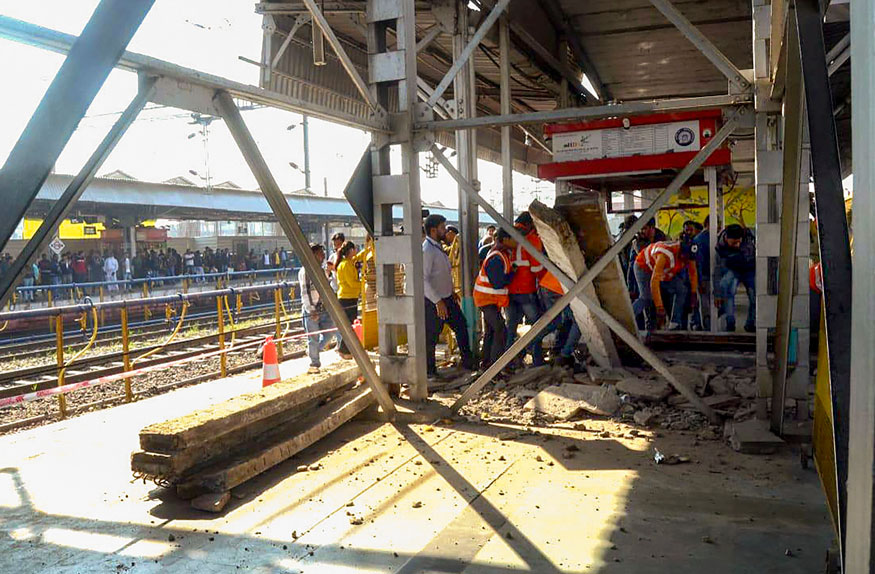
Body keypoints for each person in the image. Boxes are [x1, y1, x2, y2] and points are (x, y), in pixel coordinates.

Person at [423, 214, 474, 379]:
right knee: (431, 336)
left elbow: (442, 274)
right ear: (433, 230)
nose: (445, 231)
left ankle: (467, 362)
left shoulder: (437, 248)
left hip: (447, 298)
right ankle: (430, 372)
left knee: (461, 326)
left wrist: (451, 291)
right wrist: (438, 301)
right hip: (434, 302)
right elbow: (423, 279)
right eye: (442, 228)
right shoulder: (427, 250)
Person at [504, 212, 546, 367]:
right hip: (526, 290)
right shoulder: (532, 239)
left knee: (511, 327)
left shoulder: (508, 235)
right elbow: (537, 268)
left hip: (510, 291)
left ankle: (507, 362)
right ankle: (537, 359)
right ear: (530, 224)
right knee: (537, 326)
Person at [632, 238, 699, 331]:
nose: (687, 261)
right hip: (643, 267)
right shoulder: (664, 254)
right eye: (686, 258)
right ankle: (628, 317)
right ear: (680, 253)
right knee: (646, 297)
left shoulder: (688, 255)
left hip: (664, 271)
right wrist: (659, 308)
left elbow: (693, 272)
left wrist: (693, 292)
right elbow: (654, 281)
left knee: (682, 289)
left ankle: (674, 323)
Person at [475, 228, 516, 370]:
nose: (517, 242)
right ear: (505, 240)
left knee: (491, 331)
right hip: (486, 299)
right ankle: (494, 367)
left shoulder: (500, 254)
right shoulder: (496, 257)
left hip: (489, 299)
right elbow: (498, 283)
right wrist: (512, 274)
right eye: (514, 239)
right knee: (500, 330)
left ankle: (486, 363)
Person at [299, 244, 337, 374]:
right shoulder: (305, 271)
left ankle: (314, 350)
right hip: (312, 309)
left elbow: (326, 285)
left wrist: (329, 271)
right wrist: (311, 310)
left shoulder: (320, 270)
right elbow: (305, 292)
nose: (323, 256)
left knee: (331, 330)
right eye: (321, 253)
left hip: (323, 307)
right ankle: (314, 363)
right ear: (313, 255)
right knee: (313, 337)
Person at [715, 223, 756, 332]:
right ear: (726, 238)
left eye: (739, 242)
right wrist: (718, 293)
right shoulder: (720, 246)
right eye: (734, 243)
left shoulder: (749, 238)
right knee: (728, 290)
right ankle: (730, 322)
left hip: (749, 269)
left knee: (754, 296)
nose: (737, 245)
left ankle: (750, 323)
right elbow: (718, 269)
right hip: (733, 268)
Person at [335, 240, 364, 358]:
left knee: (350, 324)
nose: (356, 251)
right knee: (350, 325)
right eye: (355, 249)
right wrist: (363, 284)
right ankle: (344, 350)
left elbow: (358, 256)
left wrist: (369, 247)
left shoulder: (348, 262)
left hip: (349, 297)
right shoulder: (346, 264)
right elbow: (351, 283)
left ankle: (345, 349)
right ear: (351, 250)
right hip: (347, 298)